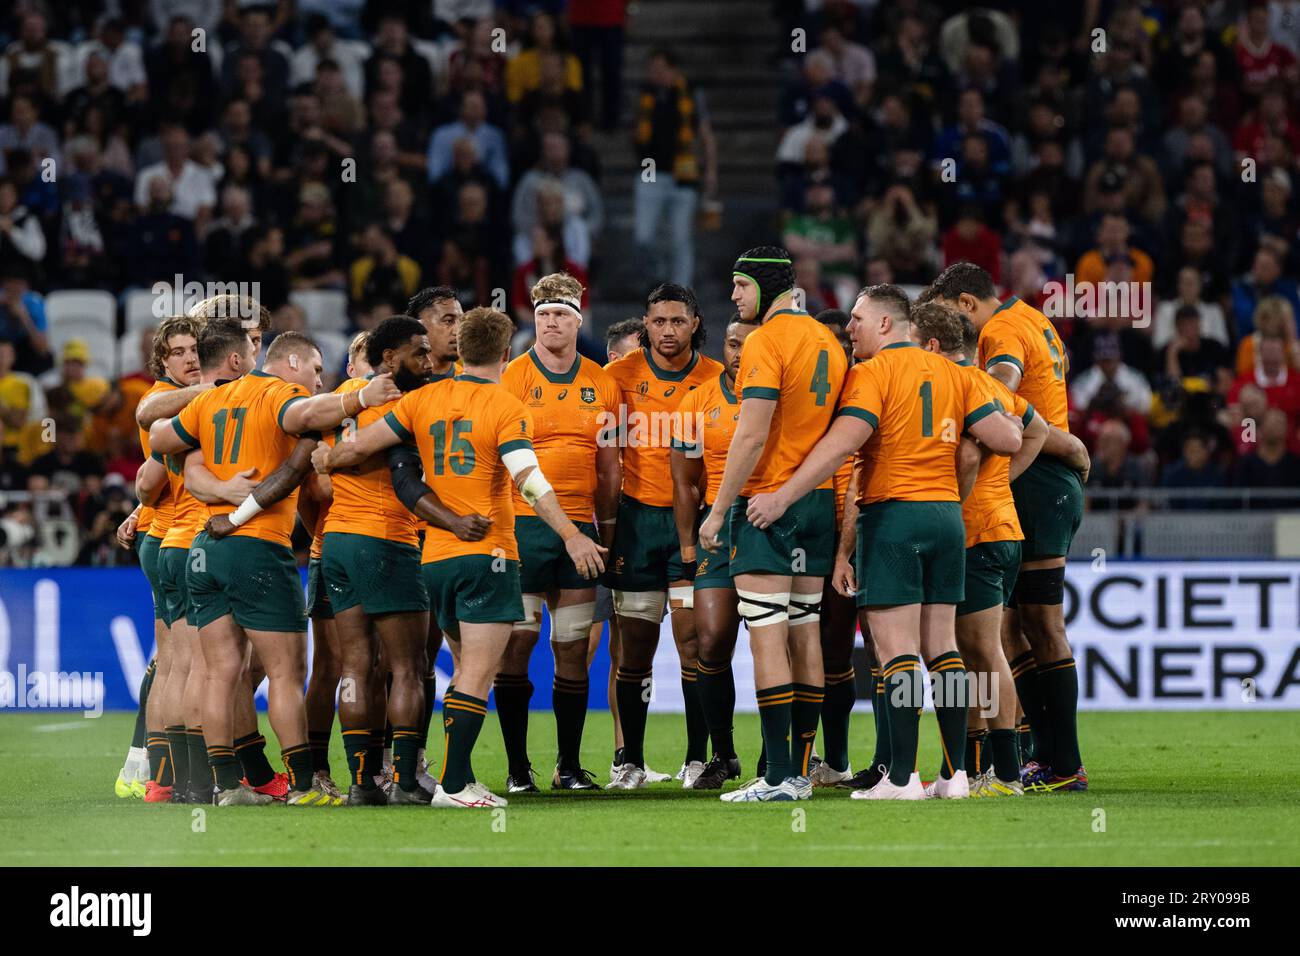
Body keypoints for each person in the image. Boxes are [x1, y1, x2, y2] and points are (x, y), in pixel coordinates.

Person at [314, 307, 605, 809]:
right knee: (476, 674)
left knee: (462, 667)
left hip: (434, 560)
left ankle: (455, 777)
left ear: (459, 350)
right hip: (487, 554)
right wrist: (573, 536)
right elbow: (528, 481)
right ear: (506, 353)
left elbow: (360, 445)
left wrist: (328, 458)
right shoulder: (507, 405)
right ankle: (452, 785)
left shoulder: (421, 400)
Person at [744, 284, 1023, 800]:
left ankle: (900, 779)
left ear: (888, 325)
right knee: (944, 647)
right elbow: (1008, 438)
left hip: (895, 515)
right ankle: (956, 775)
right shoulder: (958, 375)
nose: (849, 328)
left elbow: (843, 445)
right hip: (947, 517)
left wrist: (781, 497)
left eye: (857, 319)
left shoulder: (871, 374)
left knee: (896, 651)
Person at [150, 326, 399, 806]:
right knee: (286, 674)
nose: (318, 380)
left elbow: (161, 437)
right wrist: (362, 396)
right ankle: (304, 785)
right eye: (314, 369)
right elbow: (306, 412)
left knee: (219, 672)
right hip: (257, 546)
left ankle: (226, 786)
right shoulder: (276, 393)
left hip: (205, 545)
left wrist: (219, 491)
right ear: (284, 363)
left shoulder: (206, 403)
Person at [921, 262, 1089, 792]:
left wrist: (972, 405)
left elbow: (1004, 385)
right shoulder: (1032, 318)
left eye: (949, 316)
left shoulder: (1000, 331)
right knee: (1012, 631)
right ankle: (1035, 756)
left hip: (1038, 485)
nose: (952, 334)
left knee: (1039, 626)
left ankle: (1062, 764)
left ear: (967, 304)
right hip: (1037, 482)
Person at [698, 245, 849, 803]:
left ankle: (780, 775)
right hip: (814, 501)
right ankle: (802, 771)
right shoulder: (829, 341)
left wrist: (718, 510)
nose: (735, 297)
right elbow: (838, 437)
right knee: (804, 631)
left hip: (766, 502)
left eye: (740, 286)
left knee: (766, 637)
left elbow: (753, 432)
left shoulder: (765, 340)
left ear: (764, 285)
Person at [496, 273, 621, 791]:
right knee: (517, 649)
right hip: (523, 531)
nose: (552, 322)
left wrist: (608, 531)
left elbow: (610, 466)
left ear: (578, 319)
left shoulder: (604, 381)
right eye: (544, 313)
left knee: (572, 649)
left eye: (562, 314)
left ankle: (568, 767)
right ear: (533, 317)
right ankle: (517, 769)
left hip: (582, 536)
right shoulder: (510, 379)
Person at [604, 284, 723, 788]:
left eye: (677, 321)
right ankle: (629, 760)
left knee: (693, 641)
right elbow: (604, 457)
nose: (668, 331)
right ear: (645, 325)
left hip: (691, 529)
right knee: (634, 648)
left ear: (695, 322)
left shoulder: (717, 378)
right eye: (658, 322)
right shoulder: (618, 377)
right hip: (635, 526)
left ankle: (698, 758)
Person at [313, 316, 435, 806]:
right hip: (387, 537)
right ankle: (405, 781)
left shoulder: (342, 402)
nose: (427, 362)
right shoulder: (405, 404)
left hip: (336, 541)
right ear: (390, 359)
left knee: (355, 666)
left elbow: (324, 461)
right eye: (418, 353)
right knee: (408, 666)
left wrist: (336, 458)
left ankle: (363, 783)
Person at [112, 316, 202, 800]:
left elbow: (153, 477)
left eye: (195, 350)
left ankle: (145, 768)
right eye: (179, 351)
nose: (190, 358)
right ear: (162, 360)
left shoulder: (182, 395)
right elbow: (150, 423)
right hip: (174, 537)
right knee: (184, 662)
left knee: (168, 662)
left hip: (159, 529)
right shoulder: (164, 398)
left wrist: (137, 507)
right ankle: (180, 776)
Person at [669, 315, 756, 789]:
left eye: (748, 345)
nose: (739, 353)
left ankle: (776, 758)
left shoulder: (776, 395)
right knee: (712, 637)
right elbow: (683, 483)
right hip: (716, 530)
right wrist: (687, 543)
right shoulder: (697, 401)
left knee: (773, 644)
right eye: (732, 343)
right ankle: (723, 755)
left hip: (767, 522)